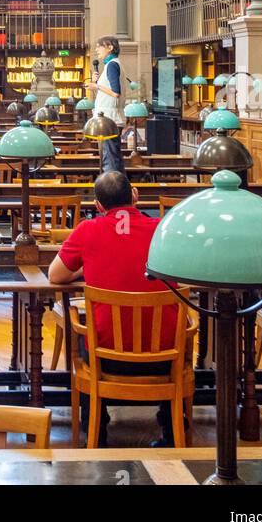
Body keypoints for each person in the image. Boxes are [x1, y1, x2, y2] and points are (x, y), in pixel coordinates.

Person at [47, 171, 177, 447]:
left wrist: (87, 267)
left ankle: (96, 428)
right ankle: (171, 426)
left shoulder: (88, 229)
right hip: (164, 355)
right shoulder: (162, 230)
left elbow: (55, 275)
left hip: (107, 356)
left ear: (98, 206)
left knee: (87, 337)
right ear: (135, 196)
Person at [86, 35, 124, 173]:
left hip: (109, 120)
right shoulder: (110, 65)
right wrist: (96, 84)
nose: (96, 49)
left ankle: (112, 190)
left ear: (110, 48)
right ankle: (117, 188)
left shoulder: (112, 65)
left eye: (99, 46)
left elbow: (115, 92)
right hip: (109, 118)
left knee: (110, 160)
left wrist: (96, 87)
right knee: (112, 157)